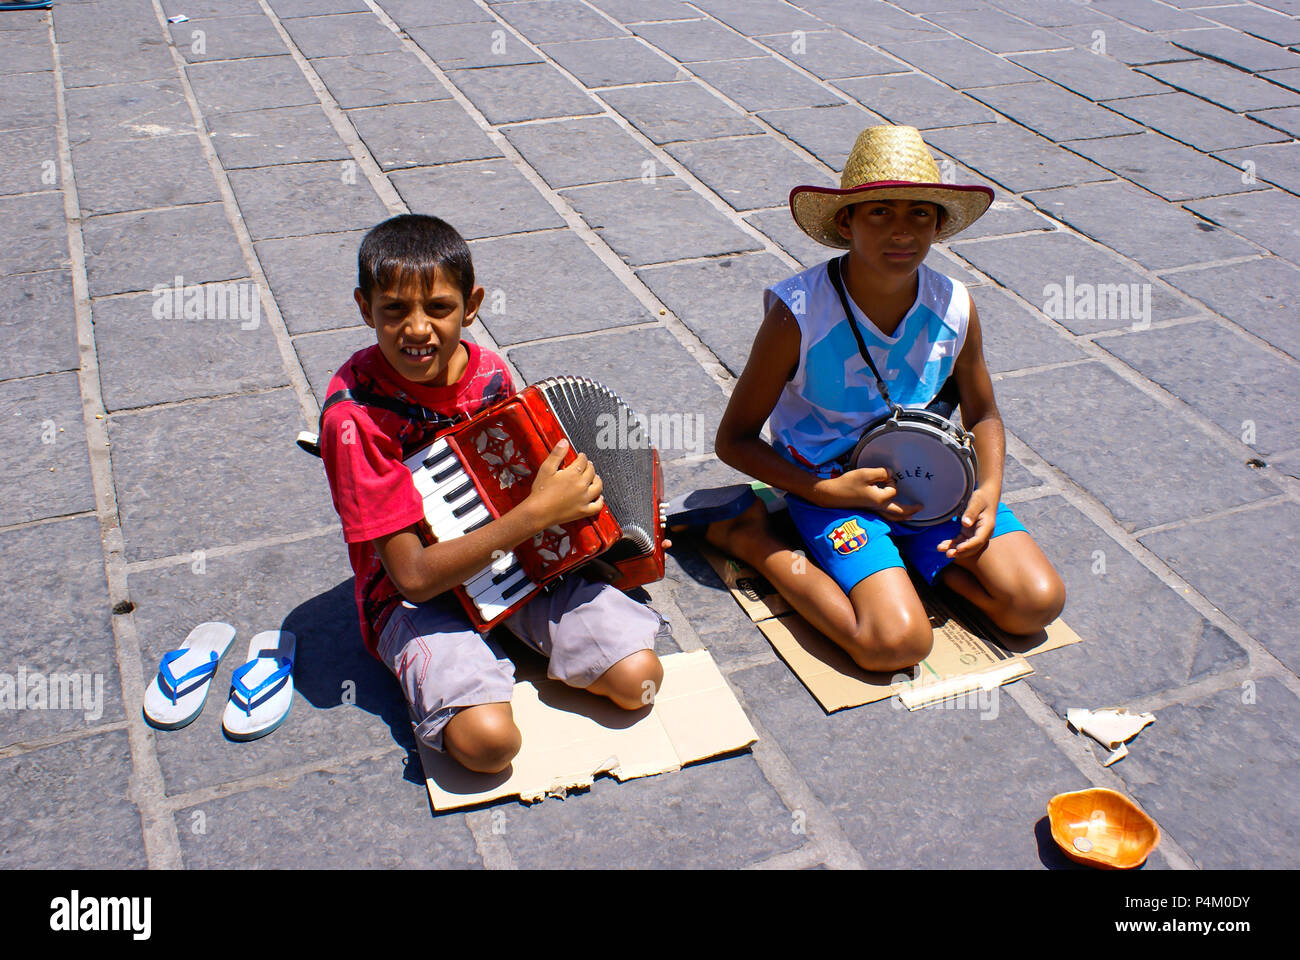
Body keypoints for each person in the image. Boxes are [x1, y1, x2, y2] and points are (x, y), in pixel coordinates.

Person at [703, 125, 1065, 673]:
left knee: (1036, 604)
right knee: (894, 644)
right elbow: (733, 440)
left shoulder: (954, 305)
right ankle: (752, 539)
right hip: (833, 485)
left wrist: (988, 491)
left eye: (920, 213)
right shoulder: (796, 312)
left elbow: (984, 413)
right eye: (880, 212)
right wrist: (823, 489)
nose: (902, 231)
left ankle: (913, 559)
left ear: (940, 224)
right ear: (845, 221)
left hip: (935, 478)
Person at [318, 214, 667, 773]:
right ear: (365, 309)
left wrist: (589, 533)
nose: (417, 329)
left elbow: (530, 489)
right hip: (413, 595)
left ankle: (506, 639)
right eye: (394, 310)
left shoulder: (489, 374)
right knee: (489, 746)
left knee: (639, 679)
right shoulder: (355, 421)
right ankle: (471, 662)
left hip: (516, 565)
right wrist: (534, 516)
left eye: (438, 308)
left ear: (472, 304)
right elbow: (411, 576)